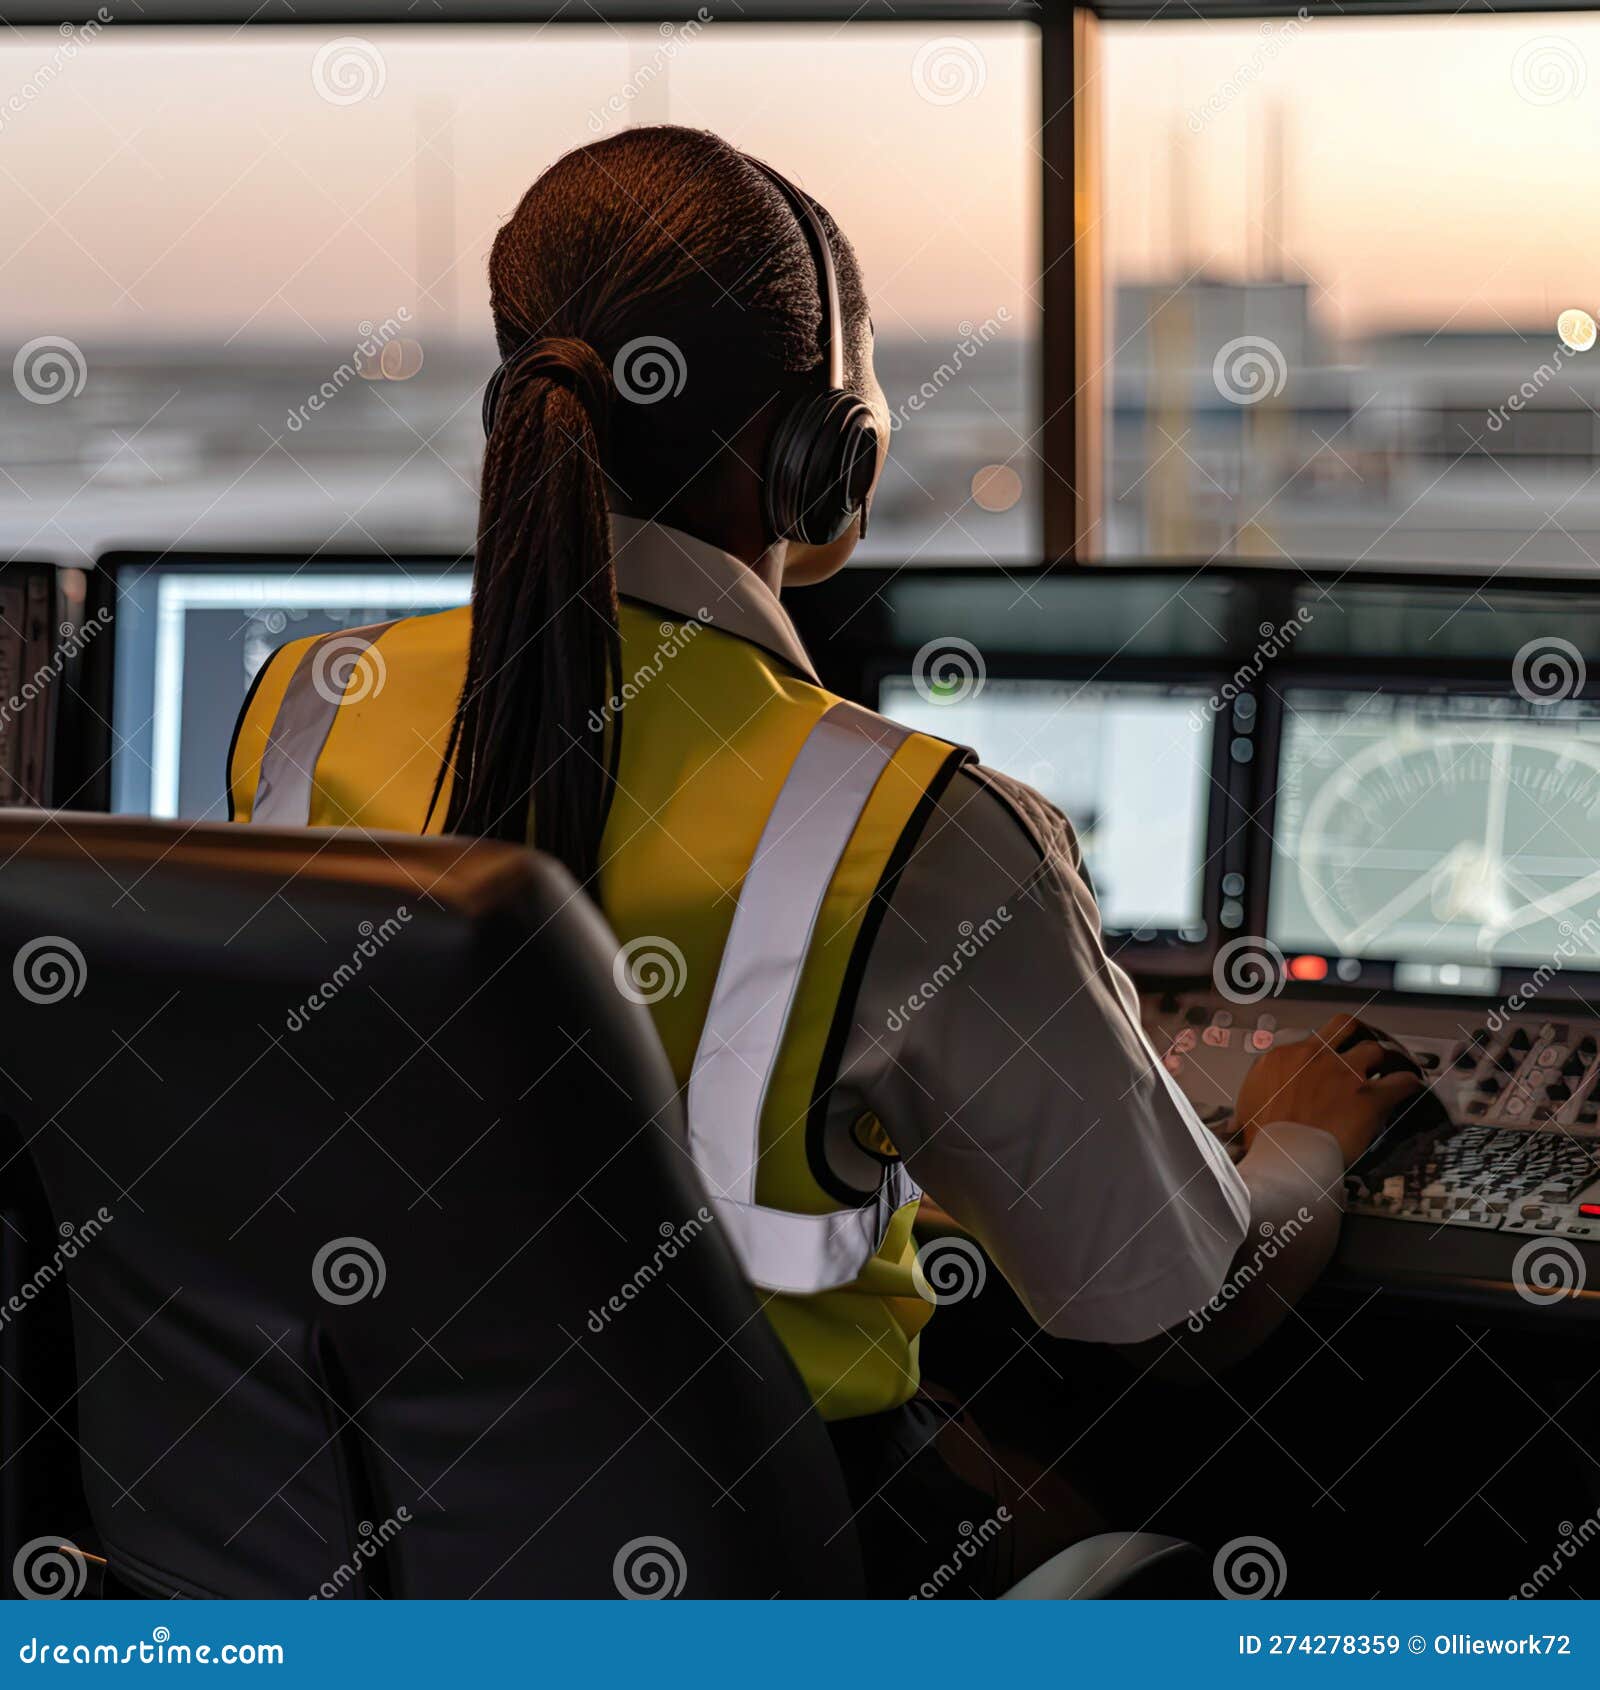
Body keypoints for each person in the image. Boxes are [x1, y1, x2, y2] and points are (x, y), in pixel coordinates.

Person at [228, 124, 1423, 1597]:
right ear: (820, 455)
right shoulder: (908, 824)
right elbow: (1181, 1304)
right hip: (755, 1573)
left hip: (377, 1547)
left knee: (1008, 1467)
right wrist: (1305, 1136)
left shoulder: (304, 709)